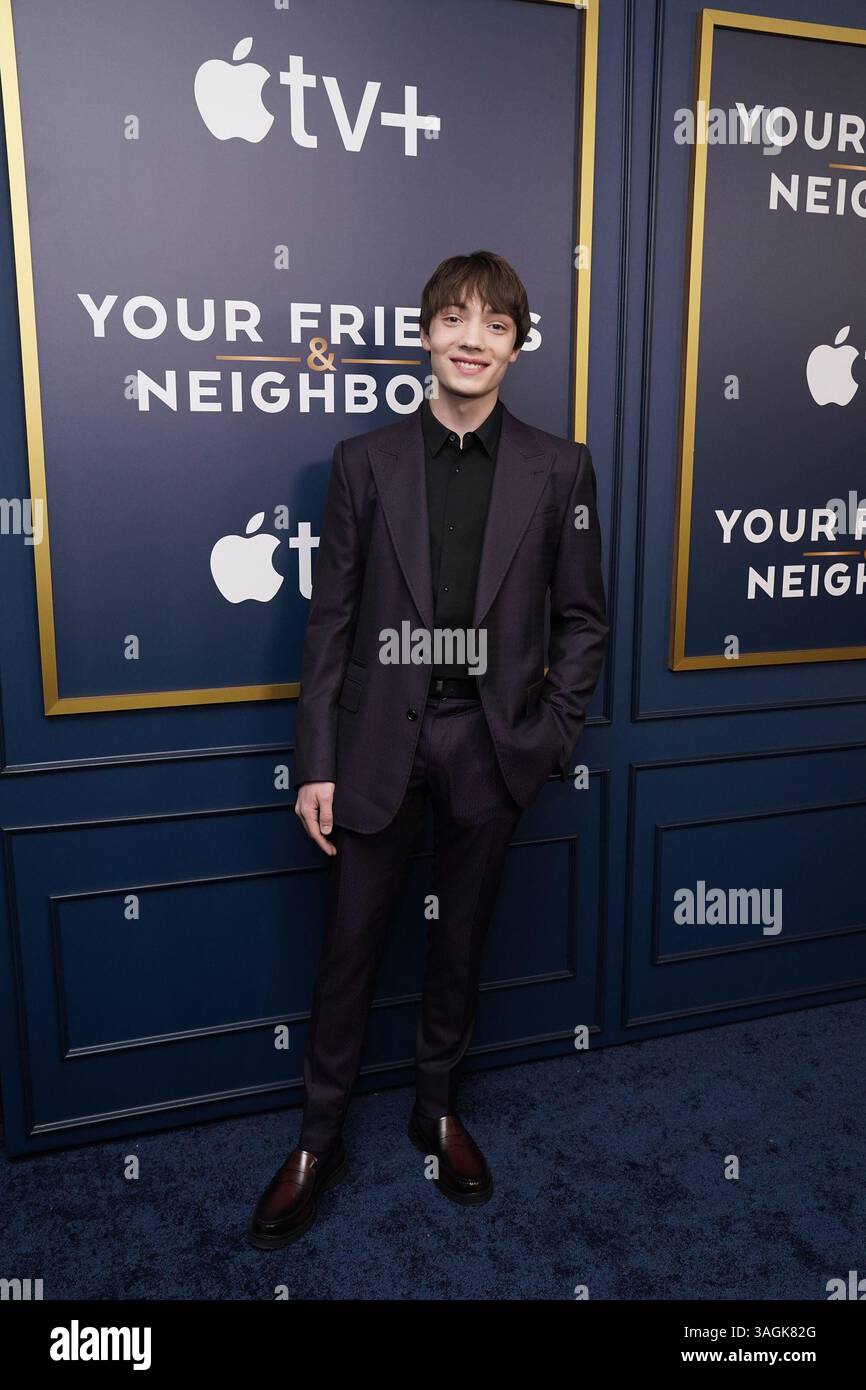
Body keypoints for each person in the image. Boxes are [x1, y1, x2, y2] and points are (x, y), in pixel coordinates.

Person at [247, 250, 608, 1248]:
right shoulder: (364, 462)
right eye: (453, 319)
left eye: (494, 325)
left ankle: (435, 1108)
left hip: (488, 748)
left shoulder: (560, 466)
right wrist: (315, 759)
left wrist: (546, 732)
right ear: (424, 334)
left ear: (516, 347)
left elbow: (583, 619)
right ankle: (318, 1137)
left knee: (460, 943)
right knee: (348, 948)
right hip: (373, 741)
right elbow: (330, 622)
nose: (471, 340)